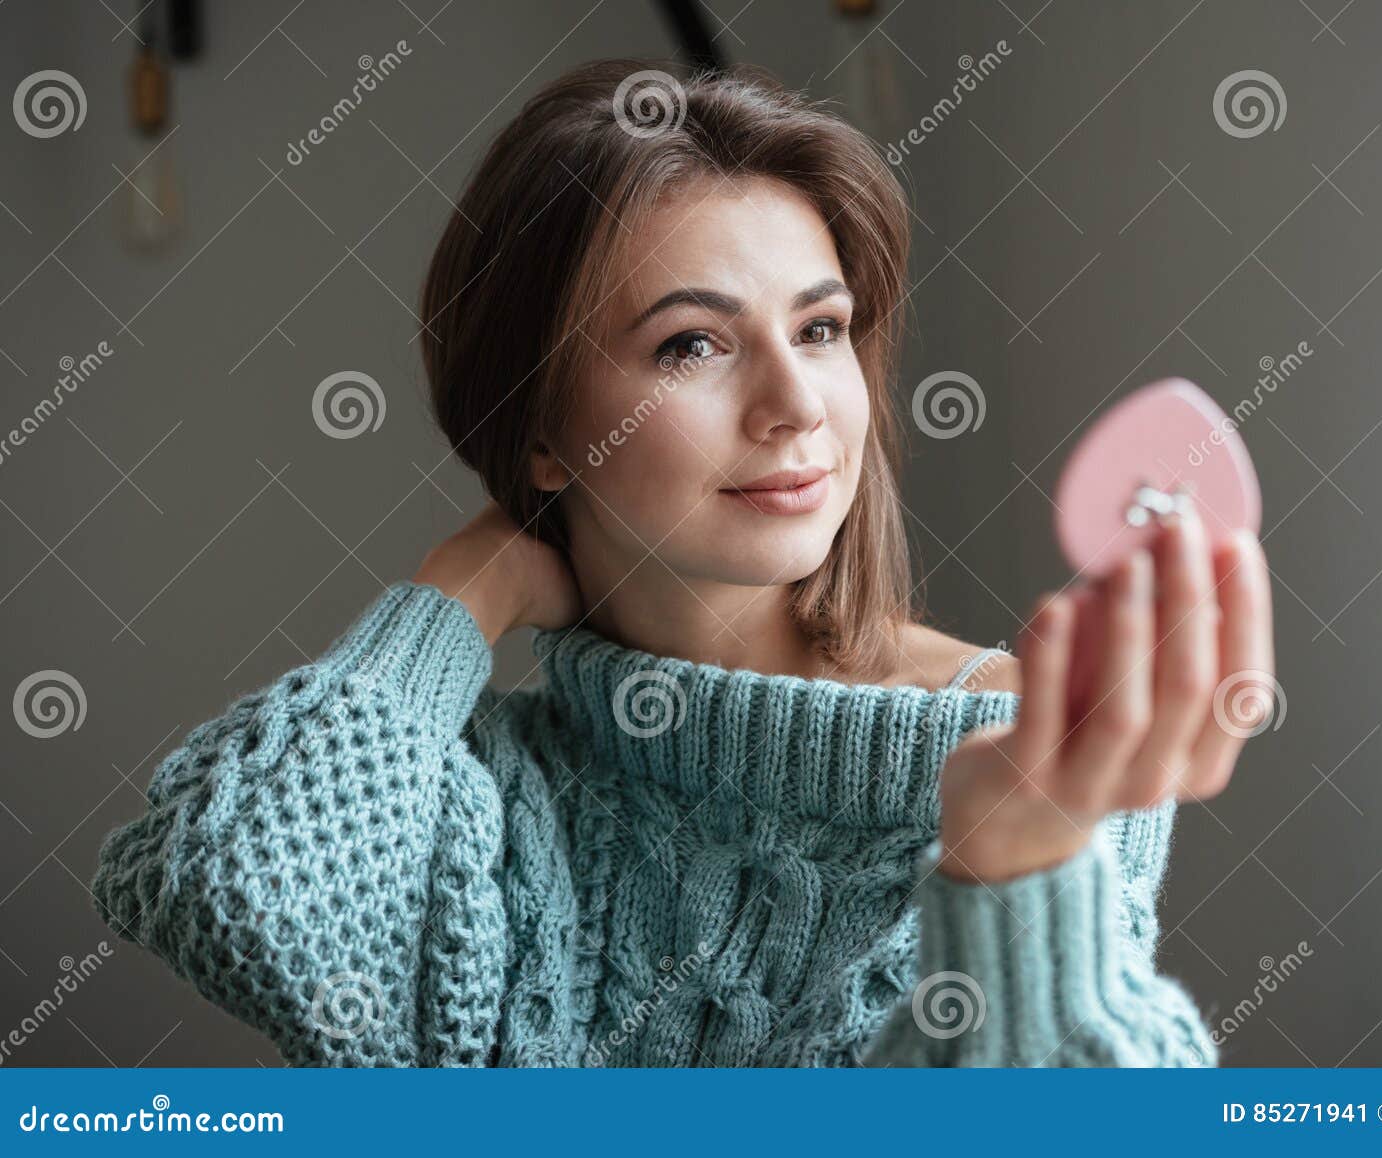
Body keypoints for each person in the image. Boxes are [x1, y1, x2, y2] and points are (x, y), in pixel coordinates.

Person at [90, 58, 1272, 1067]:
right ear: (543, 432)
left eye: (820, 329)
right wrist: (462, 591)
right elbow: (229, 882)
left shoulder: (1018, 746)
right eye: (692, 343)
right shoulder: (485, 791)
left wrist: (1011, 879)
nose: (795, 405)